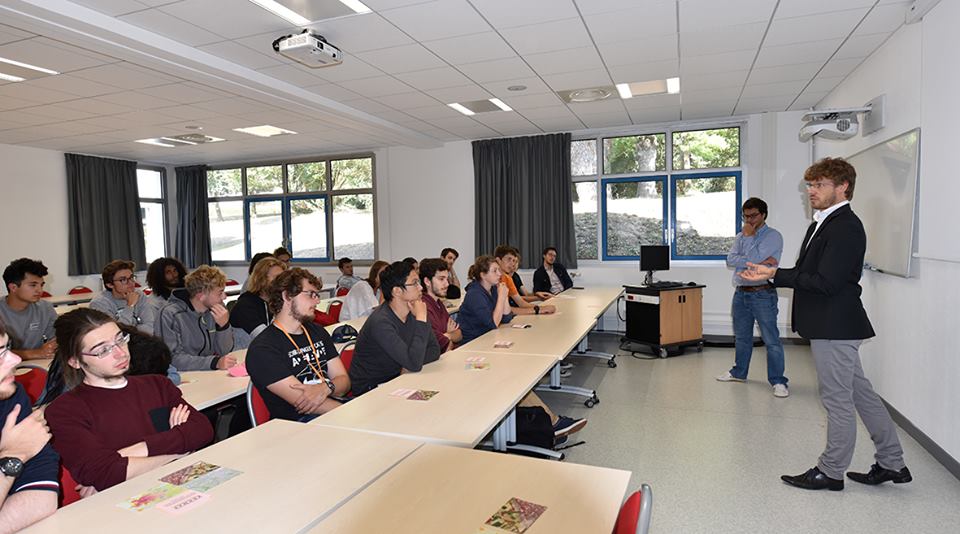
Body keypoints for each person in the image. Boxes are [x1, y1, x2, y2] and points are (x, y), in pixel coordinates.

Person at [742, 157, 911, 491]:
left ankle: (831, 471)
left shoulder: (846, 226)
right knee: (861, 394)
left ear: (842, 186)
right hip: (832, 324)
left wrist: (774, 274)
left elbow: (827, 282)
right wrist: (773, 274)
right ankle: (893, 463)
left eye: (818, 185)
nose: (811, 192)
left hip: (835, 326)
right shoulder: (822, 223)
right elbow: (814, 274)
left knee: (837, 400)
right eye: (809, 185)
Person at [45, 309, 213, 492]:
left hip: (180, 487)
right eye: (102, 350)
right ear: (75, 361)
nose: (120, 353)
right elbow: (103, 473)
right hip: (125, 502)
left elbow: (202, 430)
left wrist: (128, 454)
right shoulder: (64, 410)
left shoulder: (157, 385)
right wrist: (179, 452)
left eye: (120, 339)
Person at [456, 256, 586, 439]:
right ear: (482, 275)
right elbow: (492, 324)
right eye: (494, 271)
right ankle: (553, 422)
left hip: (488, 342)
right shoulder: (475, 294)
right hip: (472, 348)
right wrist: (502, 297)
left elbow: (507, 316)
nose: (499, 274)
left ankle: (550, 421)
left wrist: (502, 297)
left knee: (516, 372)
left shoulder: (492, 289)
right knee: (512, 379)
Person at [246, 269, 349, 421]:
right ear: (287, 296)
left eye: (317, 295)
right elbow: (305, 402)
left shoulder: (317, 332)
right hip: (300, 424)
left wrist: (326, 387)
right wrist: (349, 413)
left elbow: (344, 382)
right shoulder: (263, 348)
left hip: (333, 410)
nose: (317, 301)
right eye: (310, 294)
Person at [716, 198, 788, 398]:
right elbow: (731, 259)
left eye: (753, 215)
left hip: (763, 294)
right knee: (741, 338)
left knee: (771, 340)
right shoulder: (741, 235)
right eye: (746, 216)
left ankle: (778, 381)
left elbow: (754, 259)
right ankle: (739, 373)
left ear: (763, 214)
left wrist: (748, 241)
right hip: (741, 293)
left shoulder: (773, 236)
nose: (749, 220)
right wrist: (752, 258)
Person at [348, 261, 441, 395]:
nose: (421, 287)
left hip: (399, 378)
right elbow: (414, 363)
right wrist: (421, 318)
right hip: (371, 390)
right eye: (414, 283)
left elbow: (434, 350)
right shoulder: (381, 322)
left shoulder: (412, 312)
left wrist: (408, 365)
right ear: (397, 291)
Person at [0, 318, 59, 531]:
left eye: (7, 347)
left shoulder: (10, 397)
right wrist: (13, 455)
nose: (15, 360)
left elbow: (44, 499)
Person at [155, 265, 237, 371]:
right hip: (181, 376)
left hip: (206, 372)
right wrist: (214, 362)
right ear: (200, 296)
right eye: (220, 293)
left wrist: (223, 326)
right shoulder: (170, 314)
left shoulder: (216, 310)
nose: (224, 297)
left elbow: (224, 351)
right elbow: (172, 359)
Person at [0, 258, 57, 361]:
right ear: (13, 287)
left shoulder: (46, 308)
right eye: (33, 285)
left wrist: (52, 346)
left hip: (38, 365)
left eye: (41, 285)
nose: (40, 290)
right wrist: (34, 354)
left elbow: (57, 339)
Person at [89, 259, 156, 334]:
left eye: (131, 277)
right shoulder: (99, 304)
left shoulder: (139, 295)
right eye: (123, 280)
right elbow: (115, 334)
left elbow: (150, 326)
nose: (131, 283)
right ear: (110, 285)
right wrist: (130, 306)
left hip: (141, 342)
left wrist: (130, 331)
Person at [230, 257, 286, 337]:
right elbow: (266, 338)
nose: (282, 282)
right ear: (261, 279)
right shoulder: (245, 306)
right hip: (246, 349)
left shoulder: (276, 301)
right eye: (277, 278)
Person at [493, 246, 555, 315]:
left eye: (514, 261)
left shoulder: (508, 278)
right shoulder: (491, 279)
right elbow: (505, 311)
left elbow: (521, 303)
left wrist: (542, 307)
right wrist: (539, 309)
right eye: (509, 259)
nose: (512, 264)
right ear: (498, 260)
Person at [418, 258, 461, 352]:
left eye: (447, 279)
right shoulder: (423, 306)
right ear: (427, 281)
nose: (447, 284)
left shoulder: (438, 303)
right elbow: (440, 344)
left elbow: (459, 334)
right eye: (441, 279)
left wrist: (447, 335)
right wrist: (448, 336)